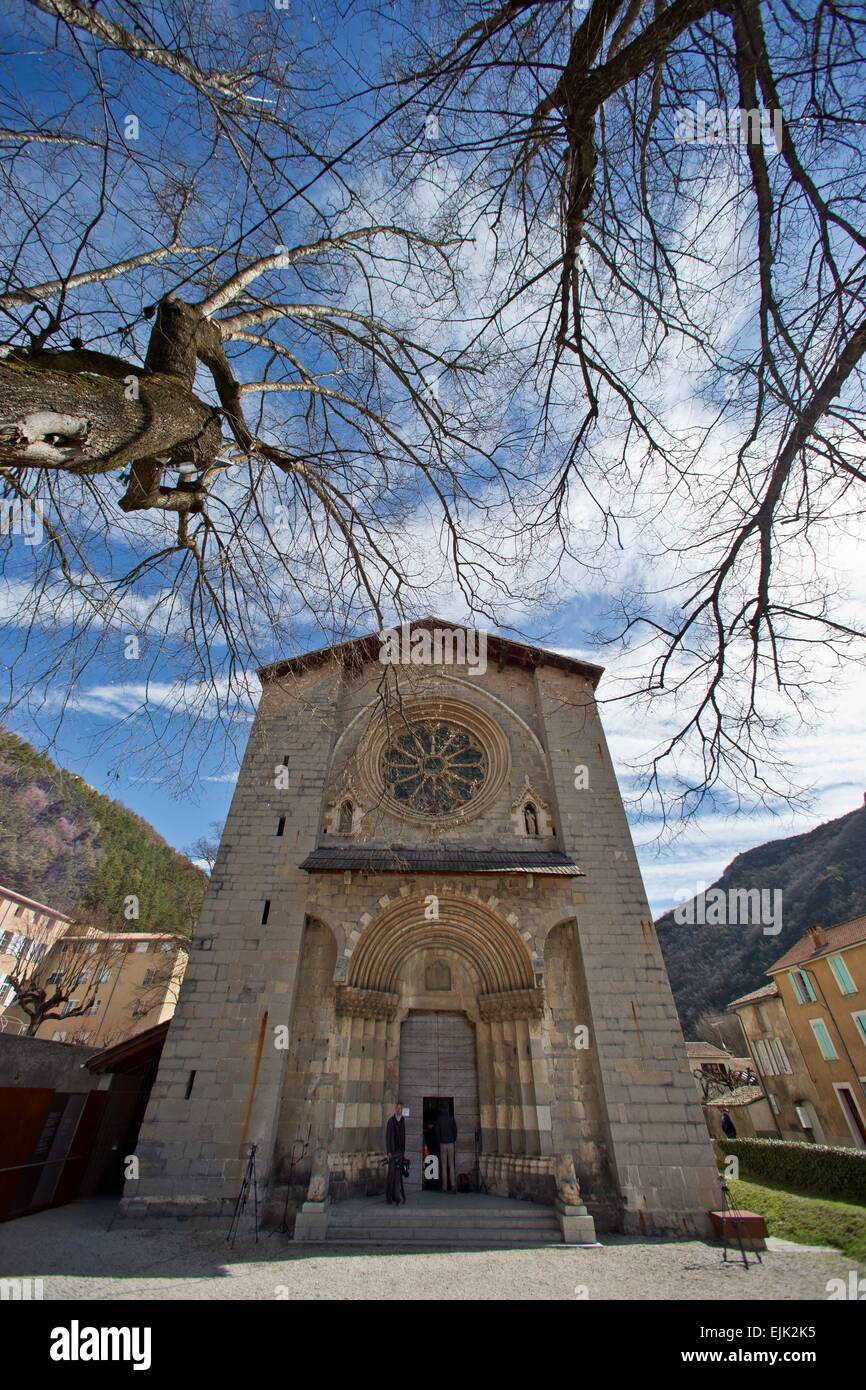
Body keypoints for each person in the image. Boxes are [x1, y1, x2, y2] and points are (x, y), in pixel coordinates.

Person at [385, 1102, 406, 1205]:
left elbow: (403, 1137)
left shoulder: (402, 1121)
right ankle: (388, 1197)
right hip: (392, 1153)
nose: (399, 1110)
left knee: (398, 1175)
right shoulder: (390, 1121)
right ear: (395, 1109)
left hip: (400, 1152)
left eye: (400, 1108)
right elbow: (388, 1137)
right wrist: (388, 1151)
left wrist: (403, 1151)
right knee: (391, 1175)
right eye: (397, 1108)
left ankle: (396, 1195)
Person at [435, 1105, 458, 1193]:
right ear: (448, 1109)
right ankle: (453, 1186)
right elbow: (455, 1130)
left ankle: (444, 1187)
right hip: (450, 1143)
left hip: (442, 1144)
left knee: (444, 1166)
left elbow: (437, 1131)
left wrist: (439, 1140)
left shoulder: (439, 1119)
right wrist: (453, 1139)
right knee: (451, 1165)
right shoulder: (451, 1118)